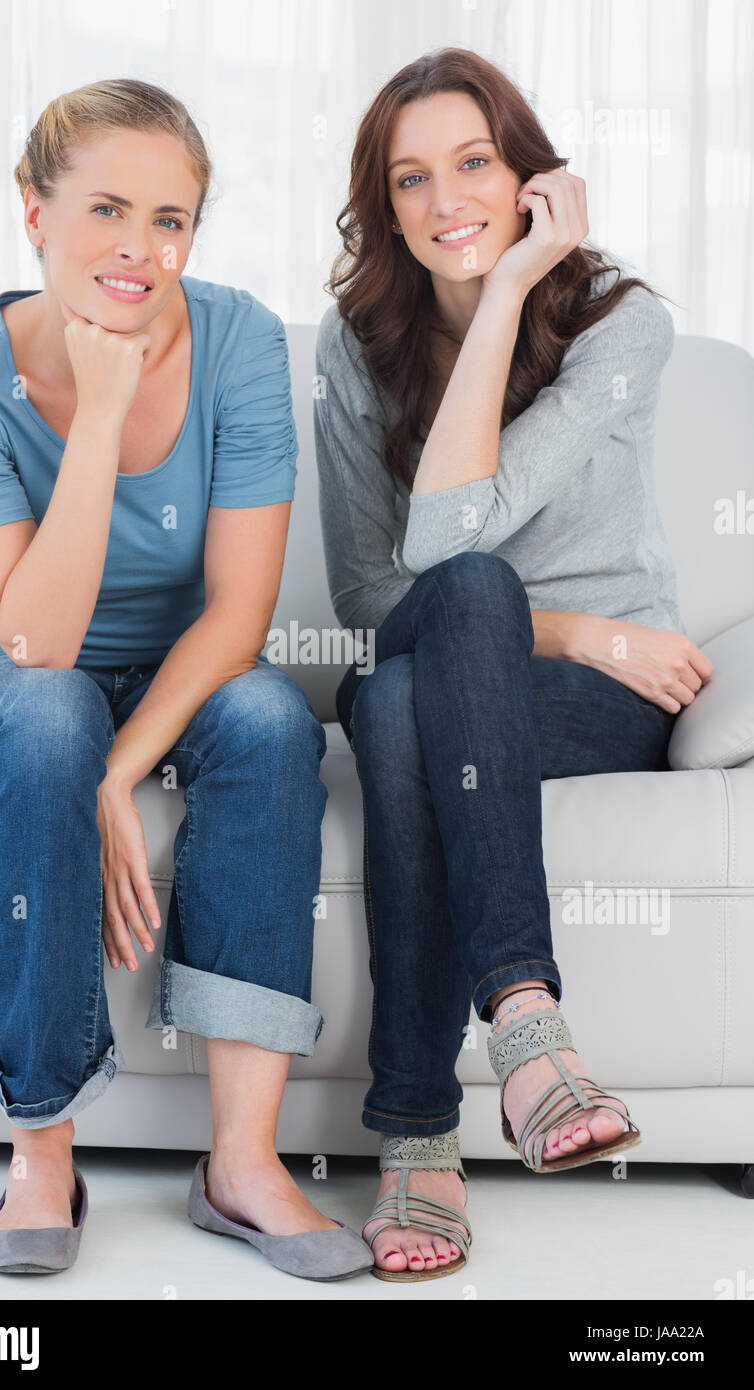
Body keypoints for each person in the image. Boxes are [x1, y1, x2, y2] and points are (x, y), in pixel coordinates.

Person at [0, 78, 372, 1282]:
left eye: (170, 220)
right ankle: (41, 1141)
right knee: (51, 712)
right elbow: (36, 642)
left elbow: (240, 613)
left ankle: (243, 1163)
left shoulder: (244, 337)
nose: (139, 250)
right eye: (106, 208)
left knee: (267, 717)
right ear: (32, 211)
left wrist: (121, 768)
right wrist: (98, 413)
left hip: (171, 665)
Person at [313, 47, 713, 1282]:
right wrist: (581, 624)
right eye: (411, 179)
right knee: (450, 614)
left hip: (595, 706)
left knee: (392, 710)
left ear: (527, 173)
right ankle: (530, 1040)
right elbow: (392, 586)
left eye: (474, 164)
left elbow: (434, 559)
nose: (447, 204)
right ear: (383, 207)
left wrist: (514, 292)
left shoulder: (620, 324)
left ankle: (417, 1136)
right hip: (543, 650)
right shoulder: (355, 344)